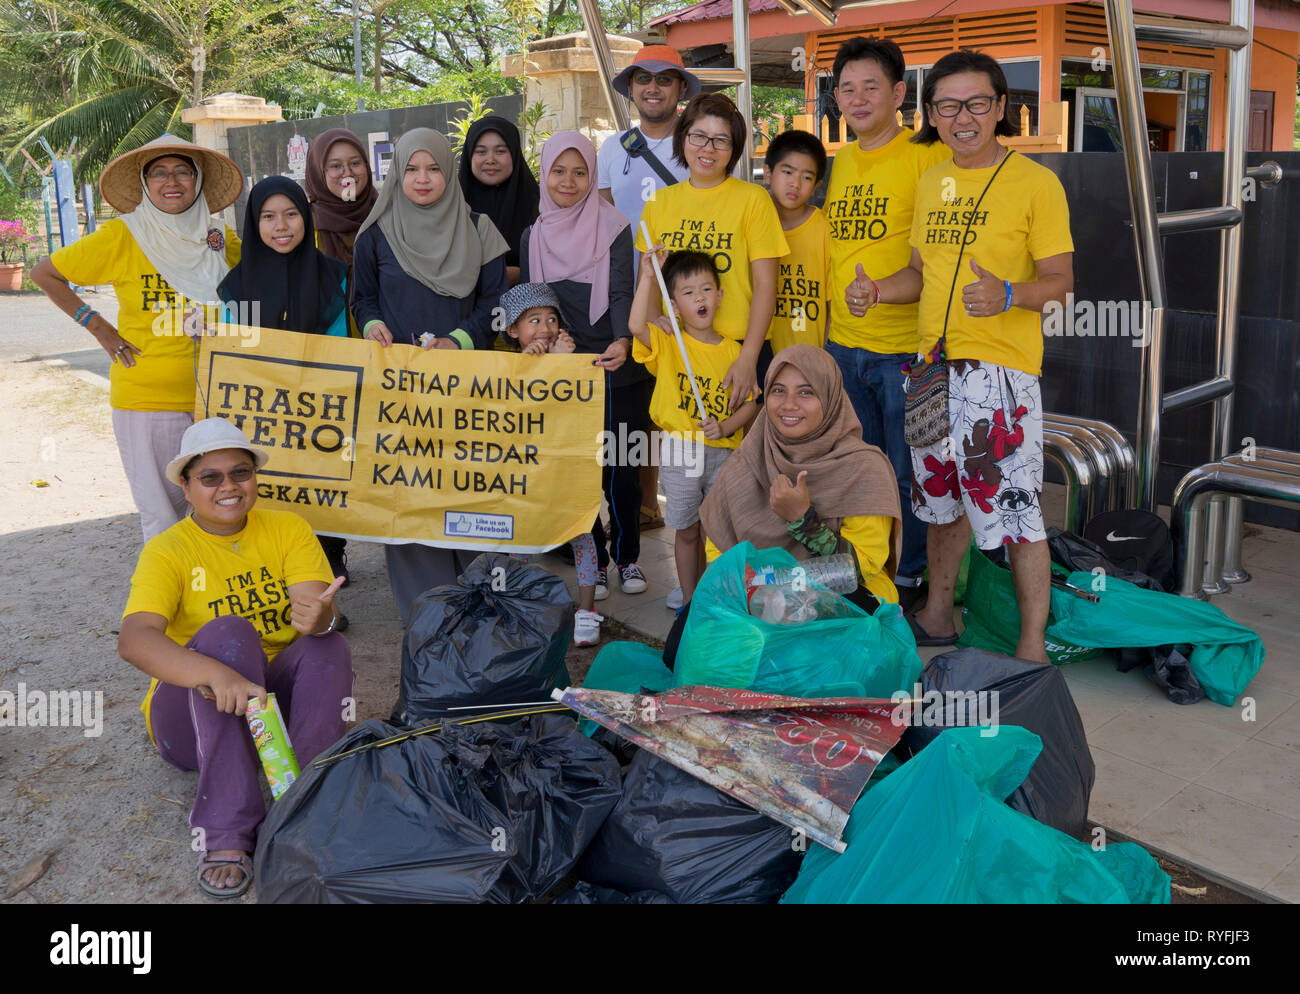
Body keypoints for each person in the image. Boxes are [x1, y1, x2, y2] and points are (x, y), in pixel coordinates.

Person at [856, 49, 1074, 662]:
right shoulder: (931, 181)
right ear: (932, 113)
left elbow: (1060, 280)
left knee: (1016, 511)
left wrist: (1008, 293)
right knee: (939, 499)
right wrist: (878, 289)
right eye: (948, 106)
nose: (963, 117)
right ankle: (938, 614)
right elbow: (920, 275)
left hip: (997, 374)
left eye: (977, 103)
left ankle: (1032, 644)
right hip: (929, 369)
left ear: (1001, 108)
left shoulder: (1037, 183)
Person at [117, 418, 353, 898]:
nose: (229, 486)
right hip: (192, 719)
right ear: (185, 486)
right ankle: (226, 834)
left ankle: (303, 802)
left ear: (255, 478)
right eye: (210, 477)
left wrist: (322, 617)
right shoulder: (169, 550)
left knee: (329, 644)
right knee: (229, 633)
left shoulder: (287, 528)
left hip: (271, 720)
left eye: (240, 472)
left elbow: (314, 610)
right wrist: (214, 672)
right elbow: (135, 639)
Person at [30, 134, 243, 542]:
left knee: (221, 512)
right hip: (148, 399)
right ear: (146, 184)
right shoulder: (123, 235)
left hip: (218, 397)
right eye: (159, 172)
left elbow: (255, 285)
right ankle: (167, 604)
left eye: (183, 171)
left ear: (197, 180)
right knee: (164, 519)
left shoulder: (218, 237)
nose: (172, 181)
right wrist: (98, 327)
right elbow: (45, 273)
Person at [352, 128, 510, 625]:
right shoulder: (374, 234)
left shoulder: (480, 228)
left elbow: (494, 307)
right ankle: (429, 618)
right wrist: (374, 325)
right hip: (400, 393)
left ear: (448, 171)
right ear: (397, 172)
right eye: (412, 168)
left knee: (469, 488)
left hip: (468, 389)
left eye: (434, 168)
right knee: (410, 494)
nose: (423, 179)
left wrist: (457, 341)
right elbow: (363, 299)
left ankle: (488, 609)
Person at [825, 37, 951, 607]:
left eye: (870, 86)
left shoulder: (927, 159)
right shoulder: (842, 160)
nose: (856, 98)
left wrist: (877, 291)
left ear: (899, 93)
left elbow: (933, 266)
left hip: (905, 352)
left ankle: (909, 575)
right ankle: (868, 570)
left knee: (909, 475)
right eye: (845, 88)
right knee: (859, 474)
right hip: (842, 349)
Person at [520, 131, 649, 600]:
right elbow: (532, 304)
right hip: (562, 372)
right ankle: (593, 558)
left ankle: (629, 559)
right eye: (559, 171)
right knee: (577, 476)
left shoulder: (614, 225)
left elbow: (621, 290)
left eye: (580, 172)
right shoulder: (531, 236)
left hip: (614, 365)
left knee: (623, 470)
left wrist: (621, 340)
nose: (569, 181)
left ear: (593, 175)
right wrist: (544, 342)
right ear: (544, 175)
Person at [700, 344, 903, 610]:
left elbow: (859, 571)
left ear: (830, 399)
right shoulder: (746, 462)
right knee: (679, 641)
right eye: (778, 390)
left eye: (806, 392)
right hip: (758, 598)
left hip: (842, 599)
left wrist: (803, 520)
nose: (789, 405)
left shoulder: (863, 468)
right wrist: (760, 596)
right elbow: (719, 555)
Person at [637, 92, 788, 414]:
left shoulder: (753, 200)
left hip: (739, 350)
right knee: (684, 452)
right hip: (681, 350)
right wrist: (655, 325)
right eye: (699, 136)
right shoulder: (658, 204)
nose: (708, 149)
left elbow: (766, 285)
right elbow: (650, 280)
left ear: (734, 149)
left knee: (743, 455)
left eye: (721, 140)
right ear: (682, 138)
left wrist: (748, 359)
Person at [630, 248, 758, 606]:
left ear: (719, 296)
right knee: (687, 531)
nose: (699, 297)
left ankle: (722, 600)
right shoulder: (669, 342)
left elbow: (752, 404)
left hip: (725, 453)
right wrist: (647, 277)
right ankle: (690, 602)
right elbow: (636, 326)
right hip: (680, 450)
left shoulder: (736, 351)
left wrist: (727, 425)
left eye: (705, 289)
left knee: (721, 531)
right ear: (674, 304)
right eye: (688, 293)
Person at [498, 282, 604, 645]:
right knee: (521, 543)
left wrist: (564, 363)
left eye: (551, 318)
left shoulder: (574, 359)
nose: (545, 327)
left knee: (582, 536)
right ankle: (522, 608)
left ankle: (587, 611)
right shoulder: (505, 366)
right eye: (533, 320)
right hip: (526, 476)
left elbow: (579, 406)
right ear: (513, 330)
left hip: (567, 473)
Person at [303, 127, 377, 583]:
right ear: (317, 171)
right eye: (335, 165)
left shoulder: (387, 215)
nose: (347, 173)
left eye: (355, 164)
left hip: (384, 355)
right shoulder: (304, 223)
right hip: (327, 363)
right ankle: (329, 554)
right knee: (326, 458)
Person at [763, 130, 831, 353]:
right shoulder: (755, 225)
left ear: (816, 186)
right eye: (788, 172)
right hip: (762, 357)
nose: (795, 183)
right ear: (768, 174)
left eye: (807, 177)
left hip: (811, 357)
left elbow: (833, 306)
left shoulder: (824, 229)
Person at [458, 115, 541, 288]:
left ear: (514, 153)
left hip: (527, 310)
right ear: (469, 155)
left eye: (500, 151)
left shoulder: (540, 206)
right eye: (481, 151)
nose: (490, 160)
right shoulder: (452, 207)